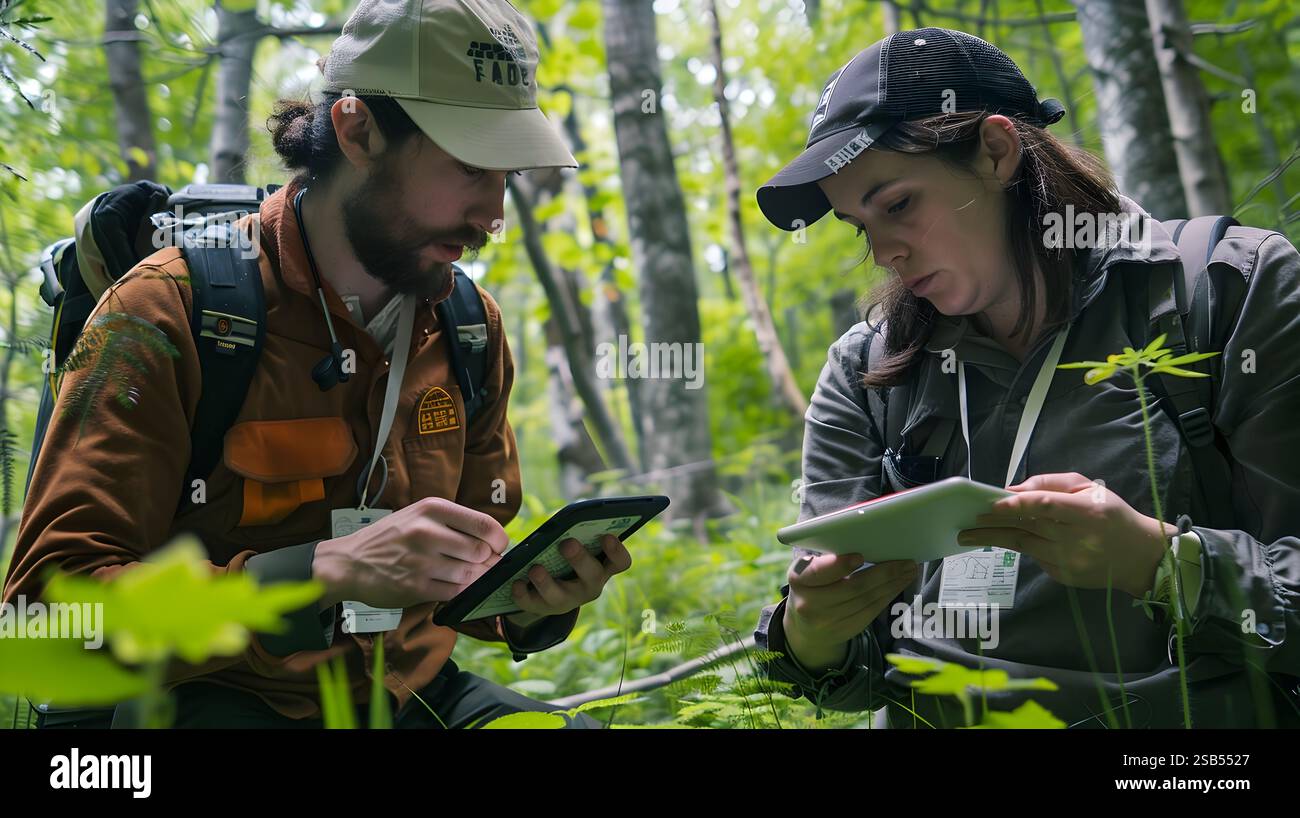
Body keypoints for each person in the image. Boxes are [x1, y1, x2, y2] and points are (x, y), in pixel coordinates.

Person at [3, 0, 628, 729]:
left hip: (405, 697)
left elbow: (468, 585)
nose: (493, 212)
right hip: (207, 700)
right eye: (468, 166)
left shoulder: (466, 327)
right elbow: (41, 618)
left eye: (507, 174)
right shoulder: (164, 312)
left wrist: (530, 607)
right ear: (356, 128)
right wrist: (320, 571)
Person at [751, 27, 1300, 728]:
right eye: (860, 226)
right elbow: (844, 670)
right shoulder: (866, 374)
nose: (884, 251)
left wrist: (1165, 564)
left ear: (997, 152)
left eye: (896, 205)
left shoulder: (1227, 291)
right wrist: (812, 636)